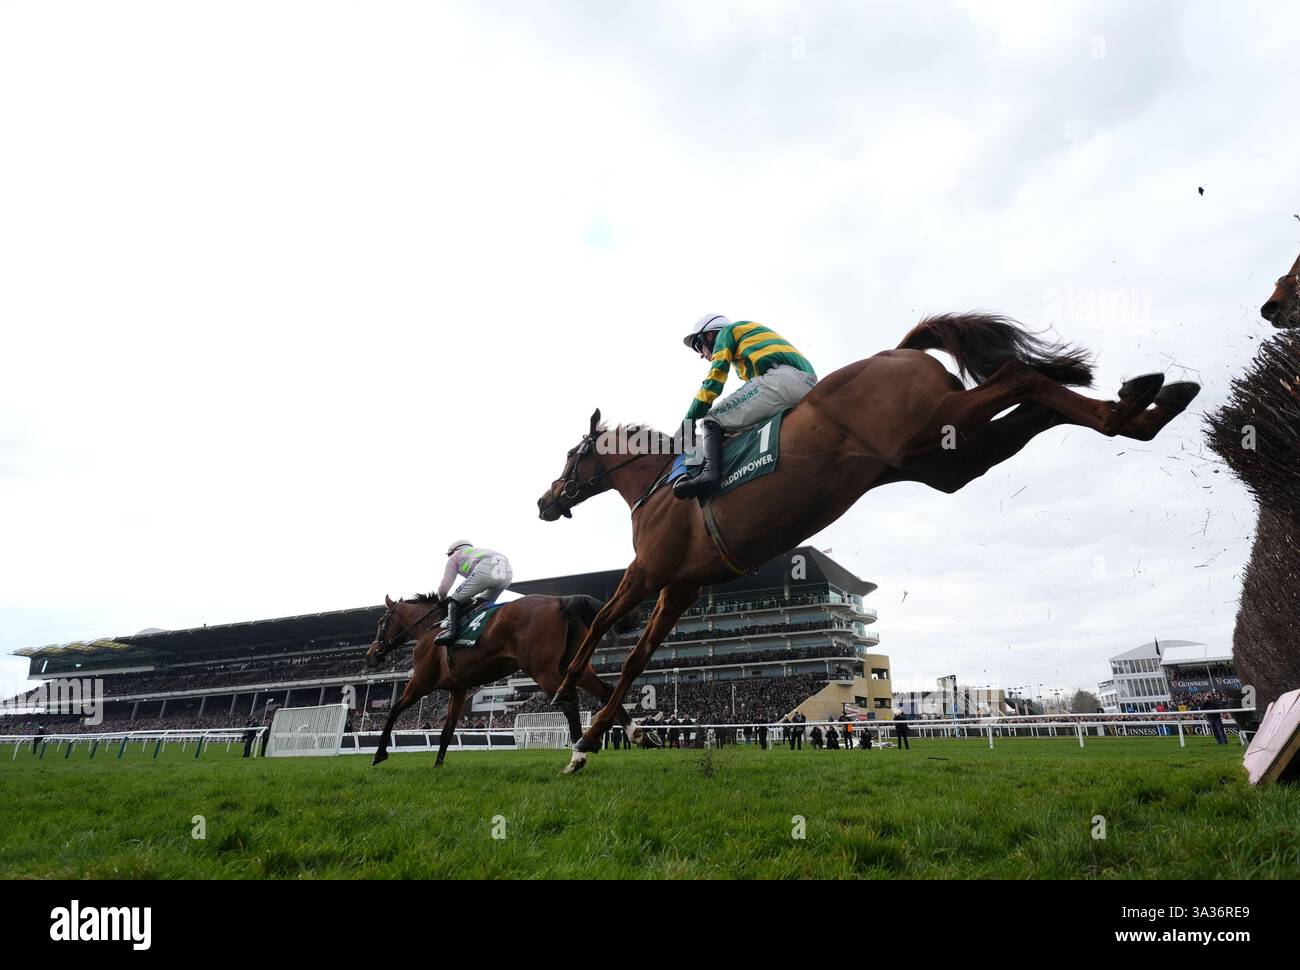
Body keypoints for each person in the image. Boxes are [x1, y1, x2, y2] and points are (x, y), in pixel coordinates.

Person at [674, 314, 818, 499]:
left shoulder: (727, 333)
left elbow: (714, 380)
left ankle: (709, 474)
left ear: (709, 336)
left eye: (698, 346)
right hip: (804, 383)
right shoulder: (746, 344)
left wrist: (689, 419)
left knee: (712, 418)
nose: (702, 354)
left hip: (783, 381)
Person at [435, 540, 513, 646]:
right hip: (507, 575)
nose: (449, 557)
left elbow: (444, 588)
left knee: (454, 599)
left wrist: (441, 599)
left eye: (449, 555)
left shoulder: (455, 556)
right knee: (482, 602)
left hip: (485, 570)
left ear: (453, 551)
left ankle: (451, 634)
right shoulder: (479, 551)